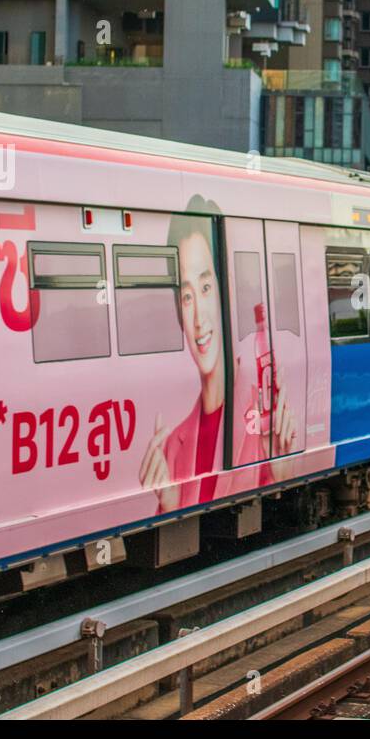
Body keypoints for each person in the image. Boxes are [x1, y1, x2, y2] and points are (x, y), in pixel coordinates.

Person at [139, 212, 297, 513]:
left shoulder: (269, 416)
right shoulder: (173, 447)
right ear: (178, 314)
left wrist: (284, 472)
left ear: (227, 295)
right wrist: (169, 505)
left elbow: (281, 491)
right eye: (186, 297)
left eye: (206, 288)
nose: (199, 319)